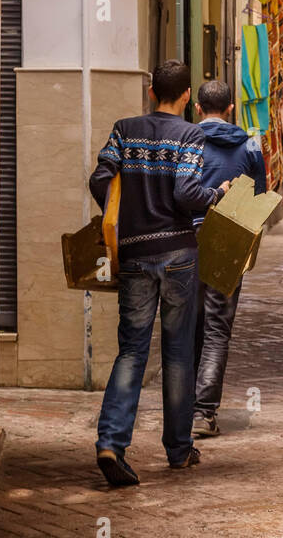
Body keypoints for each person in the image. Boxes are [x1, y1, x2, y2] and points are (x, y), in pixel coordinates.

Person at [90, 60, 230, 486]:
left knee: (131, 351)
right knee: (177, 352)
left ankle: (111, 443)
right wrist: (216, 194)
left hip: (134, 254)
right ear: (187, 96)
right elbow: (187, 193)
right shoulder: (189, 134)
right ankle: (178, 448)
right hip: (178, 255)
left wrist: (124, 214)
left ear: (152, 92)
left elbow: (100, 180)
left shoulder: (124, 128)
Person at [192, 78, 267, 440]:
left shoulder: (186, 140)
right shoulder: (250, 142)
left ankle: (181, 409)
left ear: (197, 109)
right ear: (231, 109)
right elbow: (260, 195)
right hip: (229, 237)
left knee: (185, 324)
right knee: (217, 327)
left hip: (185, 238)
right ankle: (203, 413)